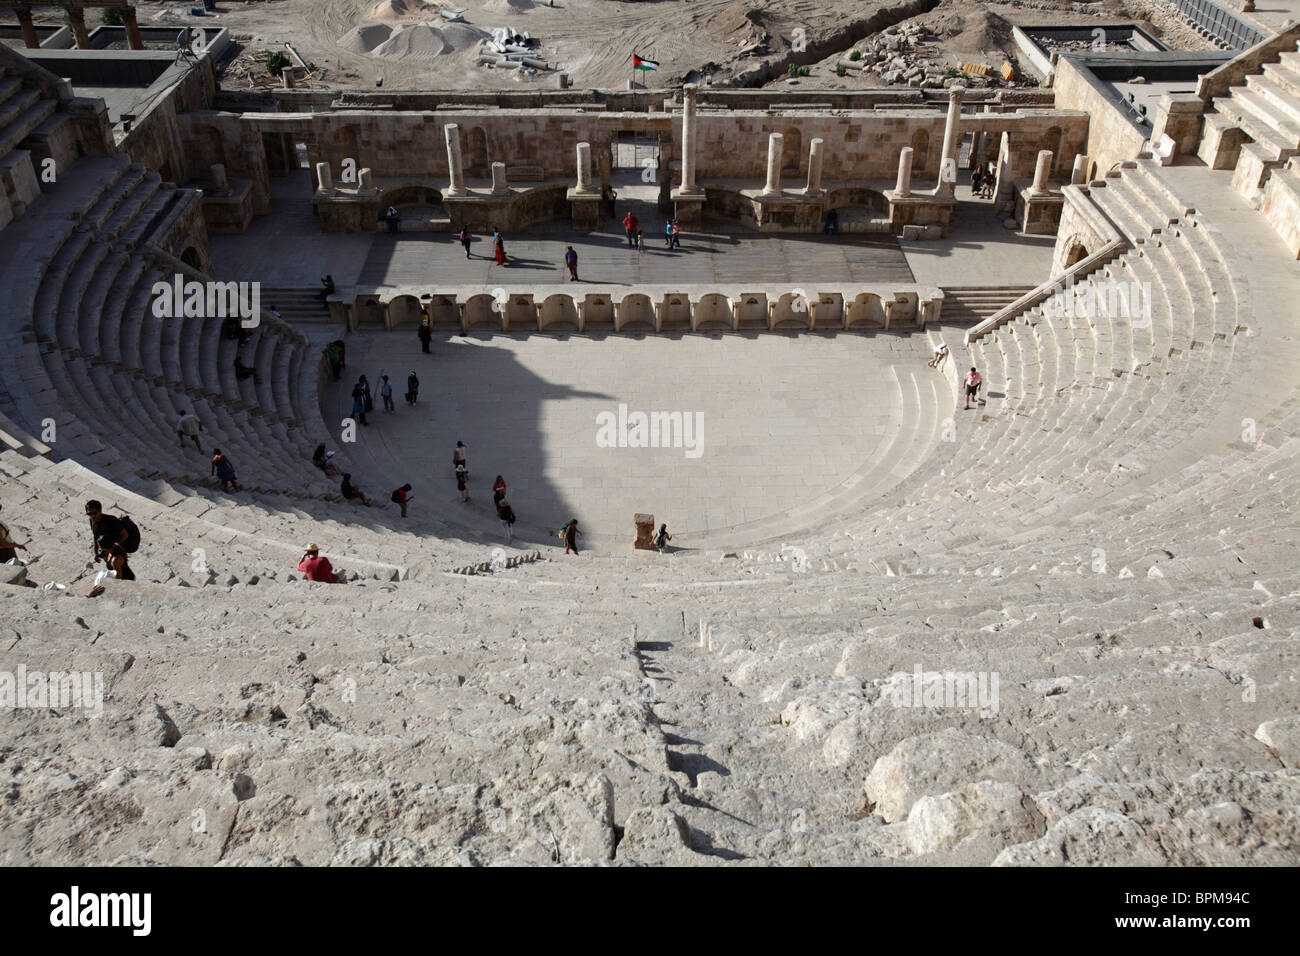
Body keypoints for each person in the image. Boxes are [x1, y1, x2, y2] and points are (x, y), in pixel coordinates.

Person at [85, 500, 136, 582]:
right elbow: (95, 535)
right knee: (112, 566)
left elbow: (124, 535)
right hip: (108, 549)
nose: (92, 516)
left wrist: (113, 546)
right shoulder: (92, 521)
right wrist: (96, 552)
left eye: (94, 513)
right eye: (89, 514)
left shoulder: (111, 521)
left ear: (100, 511)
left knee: (117, 566)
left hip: (113, 548)